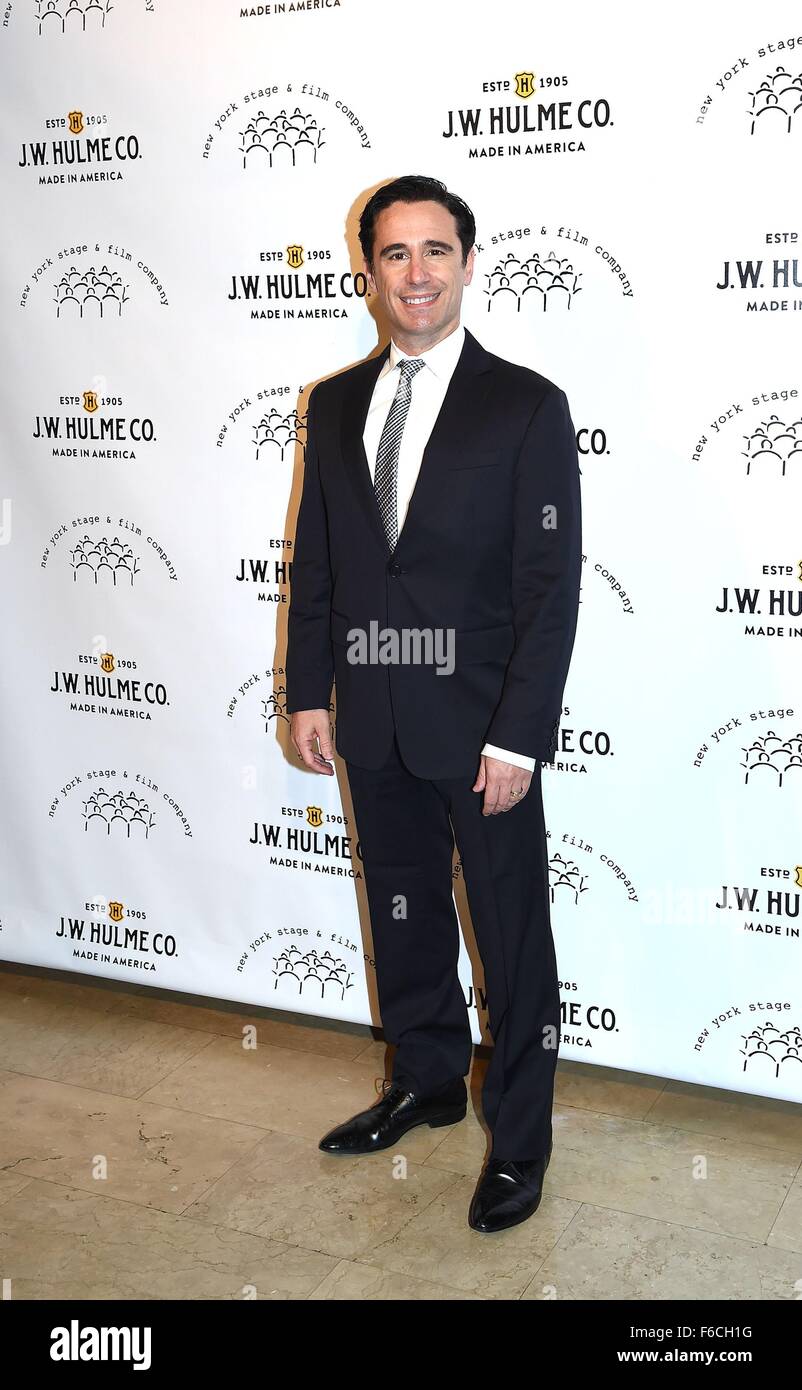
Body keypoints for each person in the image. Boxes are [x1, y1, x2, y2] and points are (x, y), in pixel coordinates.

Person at [285, 174, 582, 1233]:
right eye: (395, 253)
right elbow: (317, 561)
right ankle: (424, 1079)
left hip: (479, 726)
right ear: (366, 269)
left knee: (510, 937)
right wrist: (308, 692)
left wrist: (518, 733)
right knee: (403, 911)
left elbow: (549, 589)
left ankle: (520, 1140)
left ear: (466, 261)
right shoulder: (332, 405)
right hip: (370, 714)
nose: (415, 273)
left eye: (435, 251)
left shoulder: (526, 405)